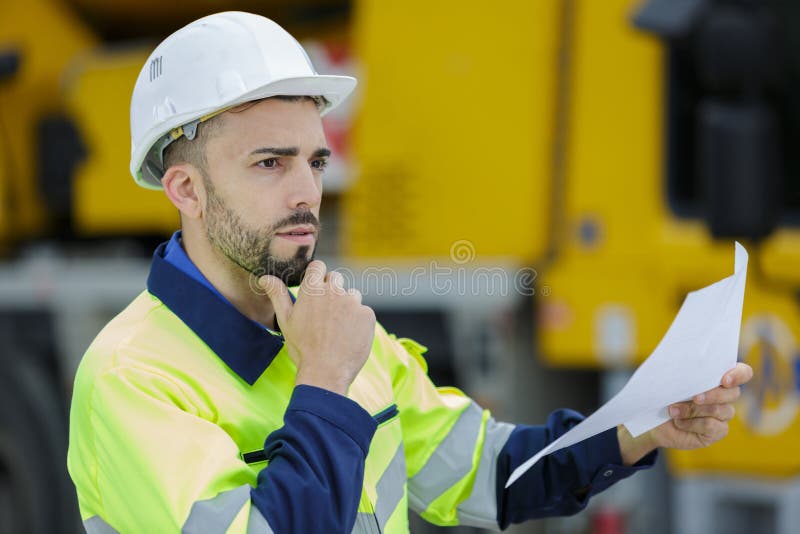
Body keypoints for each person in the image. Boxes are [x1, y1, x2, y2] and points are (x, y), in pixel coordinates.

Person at [67, 11, 753, 534]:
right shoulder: (133, 379)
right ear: (186, 190)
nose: (307, 192)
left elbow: (486, 472)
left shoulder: (340, 335)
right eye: (270, 163)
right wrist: (323, 383)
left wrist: (641, 428)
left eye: (315, 162)